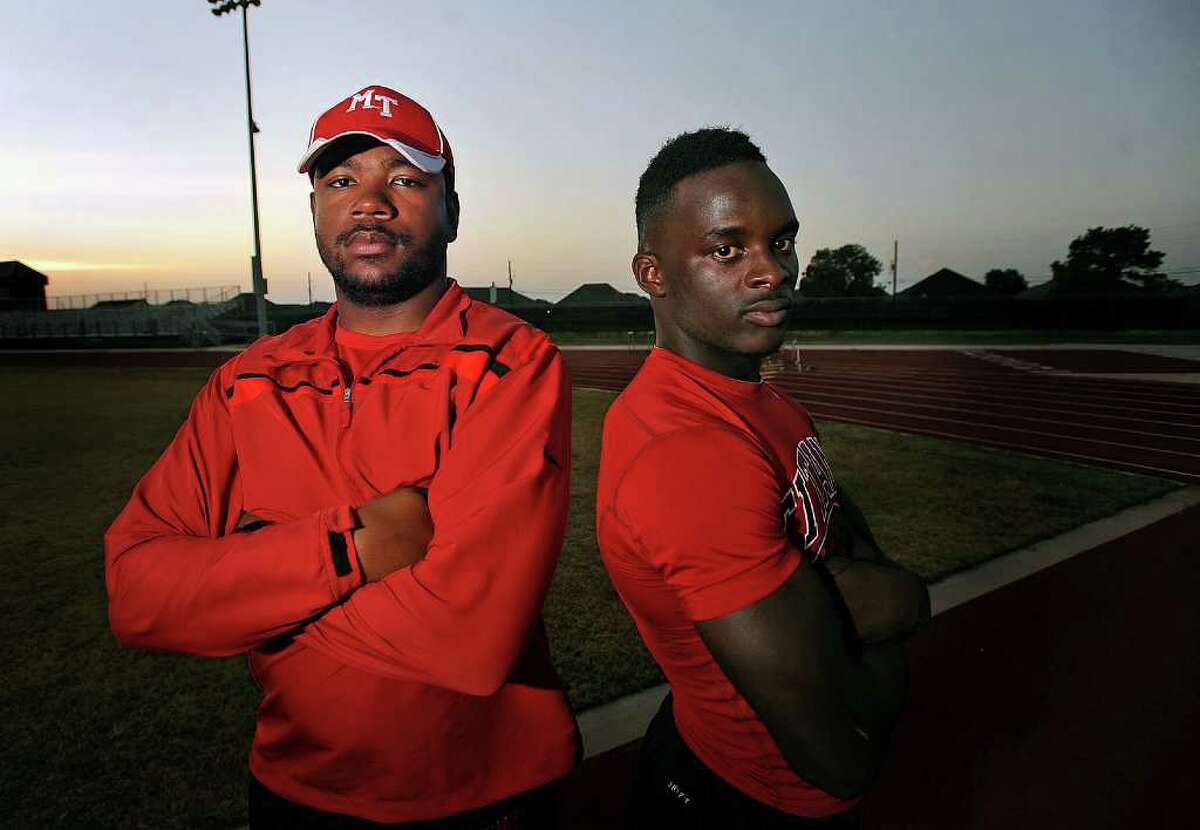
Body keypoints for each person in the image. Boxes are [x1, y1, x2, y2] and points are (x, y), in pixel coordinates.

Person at [105, 85, 578, 828]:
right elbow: (136, 594)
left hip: (486, 796)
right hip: (296, 789)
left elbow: (469, 639)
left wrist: (240, 580)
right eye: (341, 180)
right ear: (318, 211)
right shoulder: (245, 381)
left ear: (452, 209)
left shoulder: (509, 360)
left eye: (405, 179)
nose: (370, 202)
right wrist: (351, 549)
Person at [595, 128, 929, 828]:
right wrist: (903, 612)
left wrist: (866, 609)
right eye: (727, 249)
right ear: (653, 275)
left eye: (780, 242)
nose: (773, 270)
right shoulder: (685, 452)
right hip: (751, 799)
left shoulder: (767, 400)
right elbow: (842, 757)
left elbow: (845, 534)